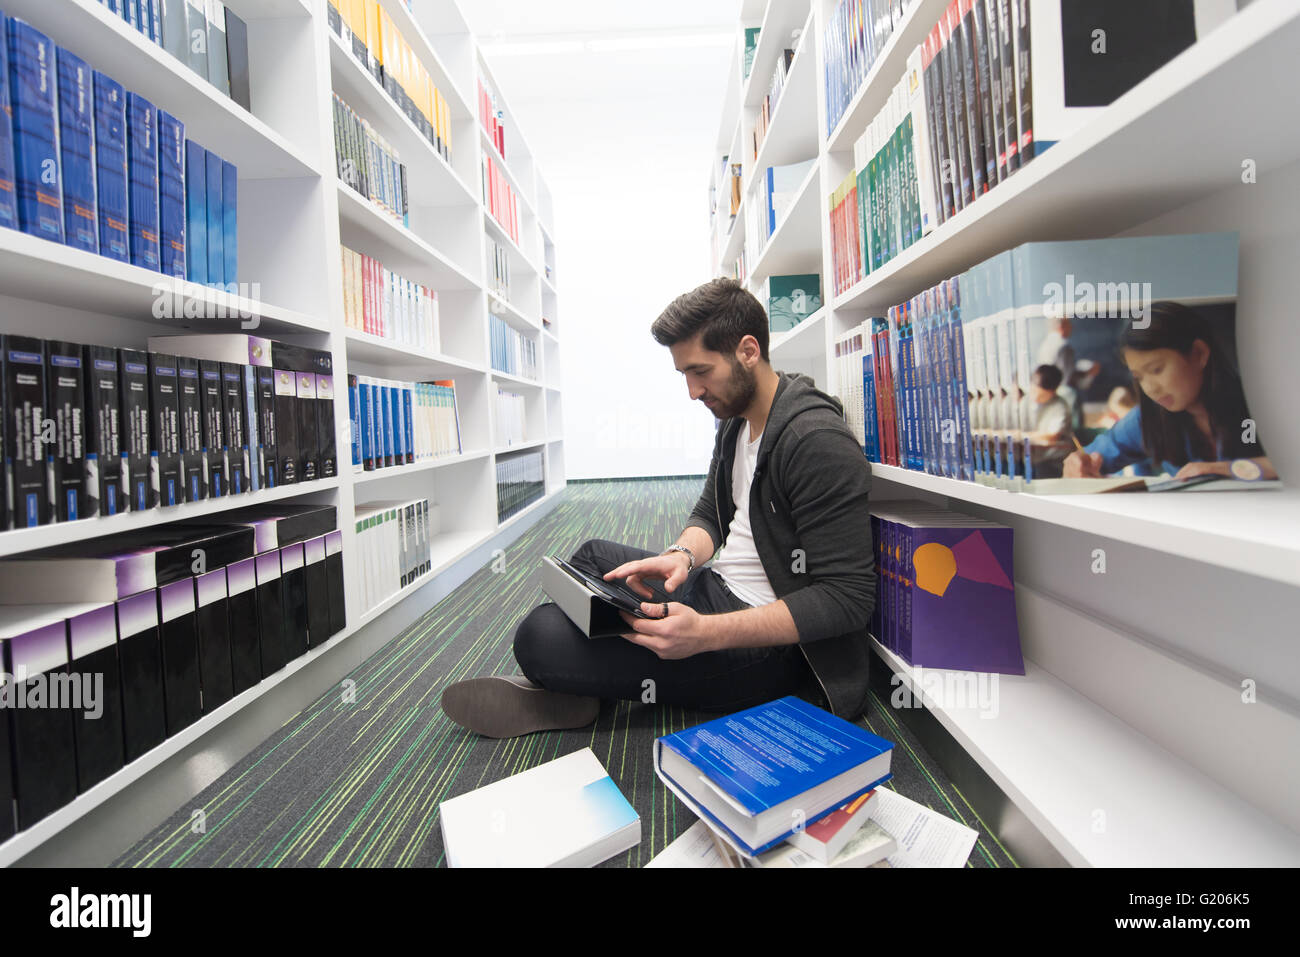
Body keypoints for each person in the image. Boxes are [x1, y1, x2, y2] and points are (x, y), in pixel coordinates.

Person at [439, 278, 876, 738]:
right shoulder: (738, 418)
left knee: (539, 636)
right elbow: (712, 512)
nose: (692, 391)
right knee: (592, 562)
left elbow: (847, 599)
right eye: (684, 374)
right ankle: (589, 681)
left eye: (700, 371)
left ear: (749, 351)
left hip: (770, 650)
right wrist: (680, 557)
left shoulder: (816, 441)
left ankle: (575, 689)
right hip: (719, 590)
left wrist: (705, 634)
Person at [1063, 301, 1276, 481]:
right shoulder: (1146, 418)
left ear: (1199, 354)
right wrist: (1077, 465)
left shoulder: (1262, 400)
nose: (1150, 388)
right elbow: (1091, 457)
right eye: (1138, 377)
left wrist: (1225, 470)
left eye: (1156, 369)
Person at [1026, 364, 1073, 478]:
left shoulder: (1060, 406)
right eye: (1033, 391)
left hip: (1052, 461)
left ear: (1054, 391)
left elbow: (1052, 435)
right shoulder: (1025, 400)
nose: (1036, 397)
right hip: (1030, 458)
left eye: (1042, 395)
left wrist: (1021, 435)